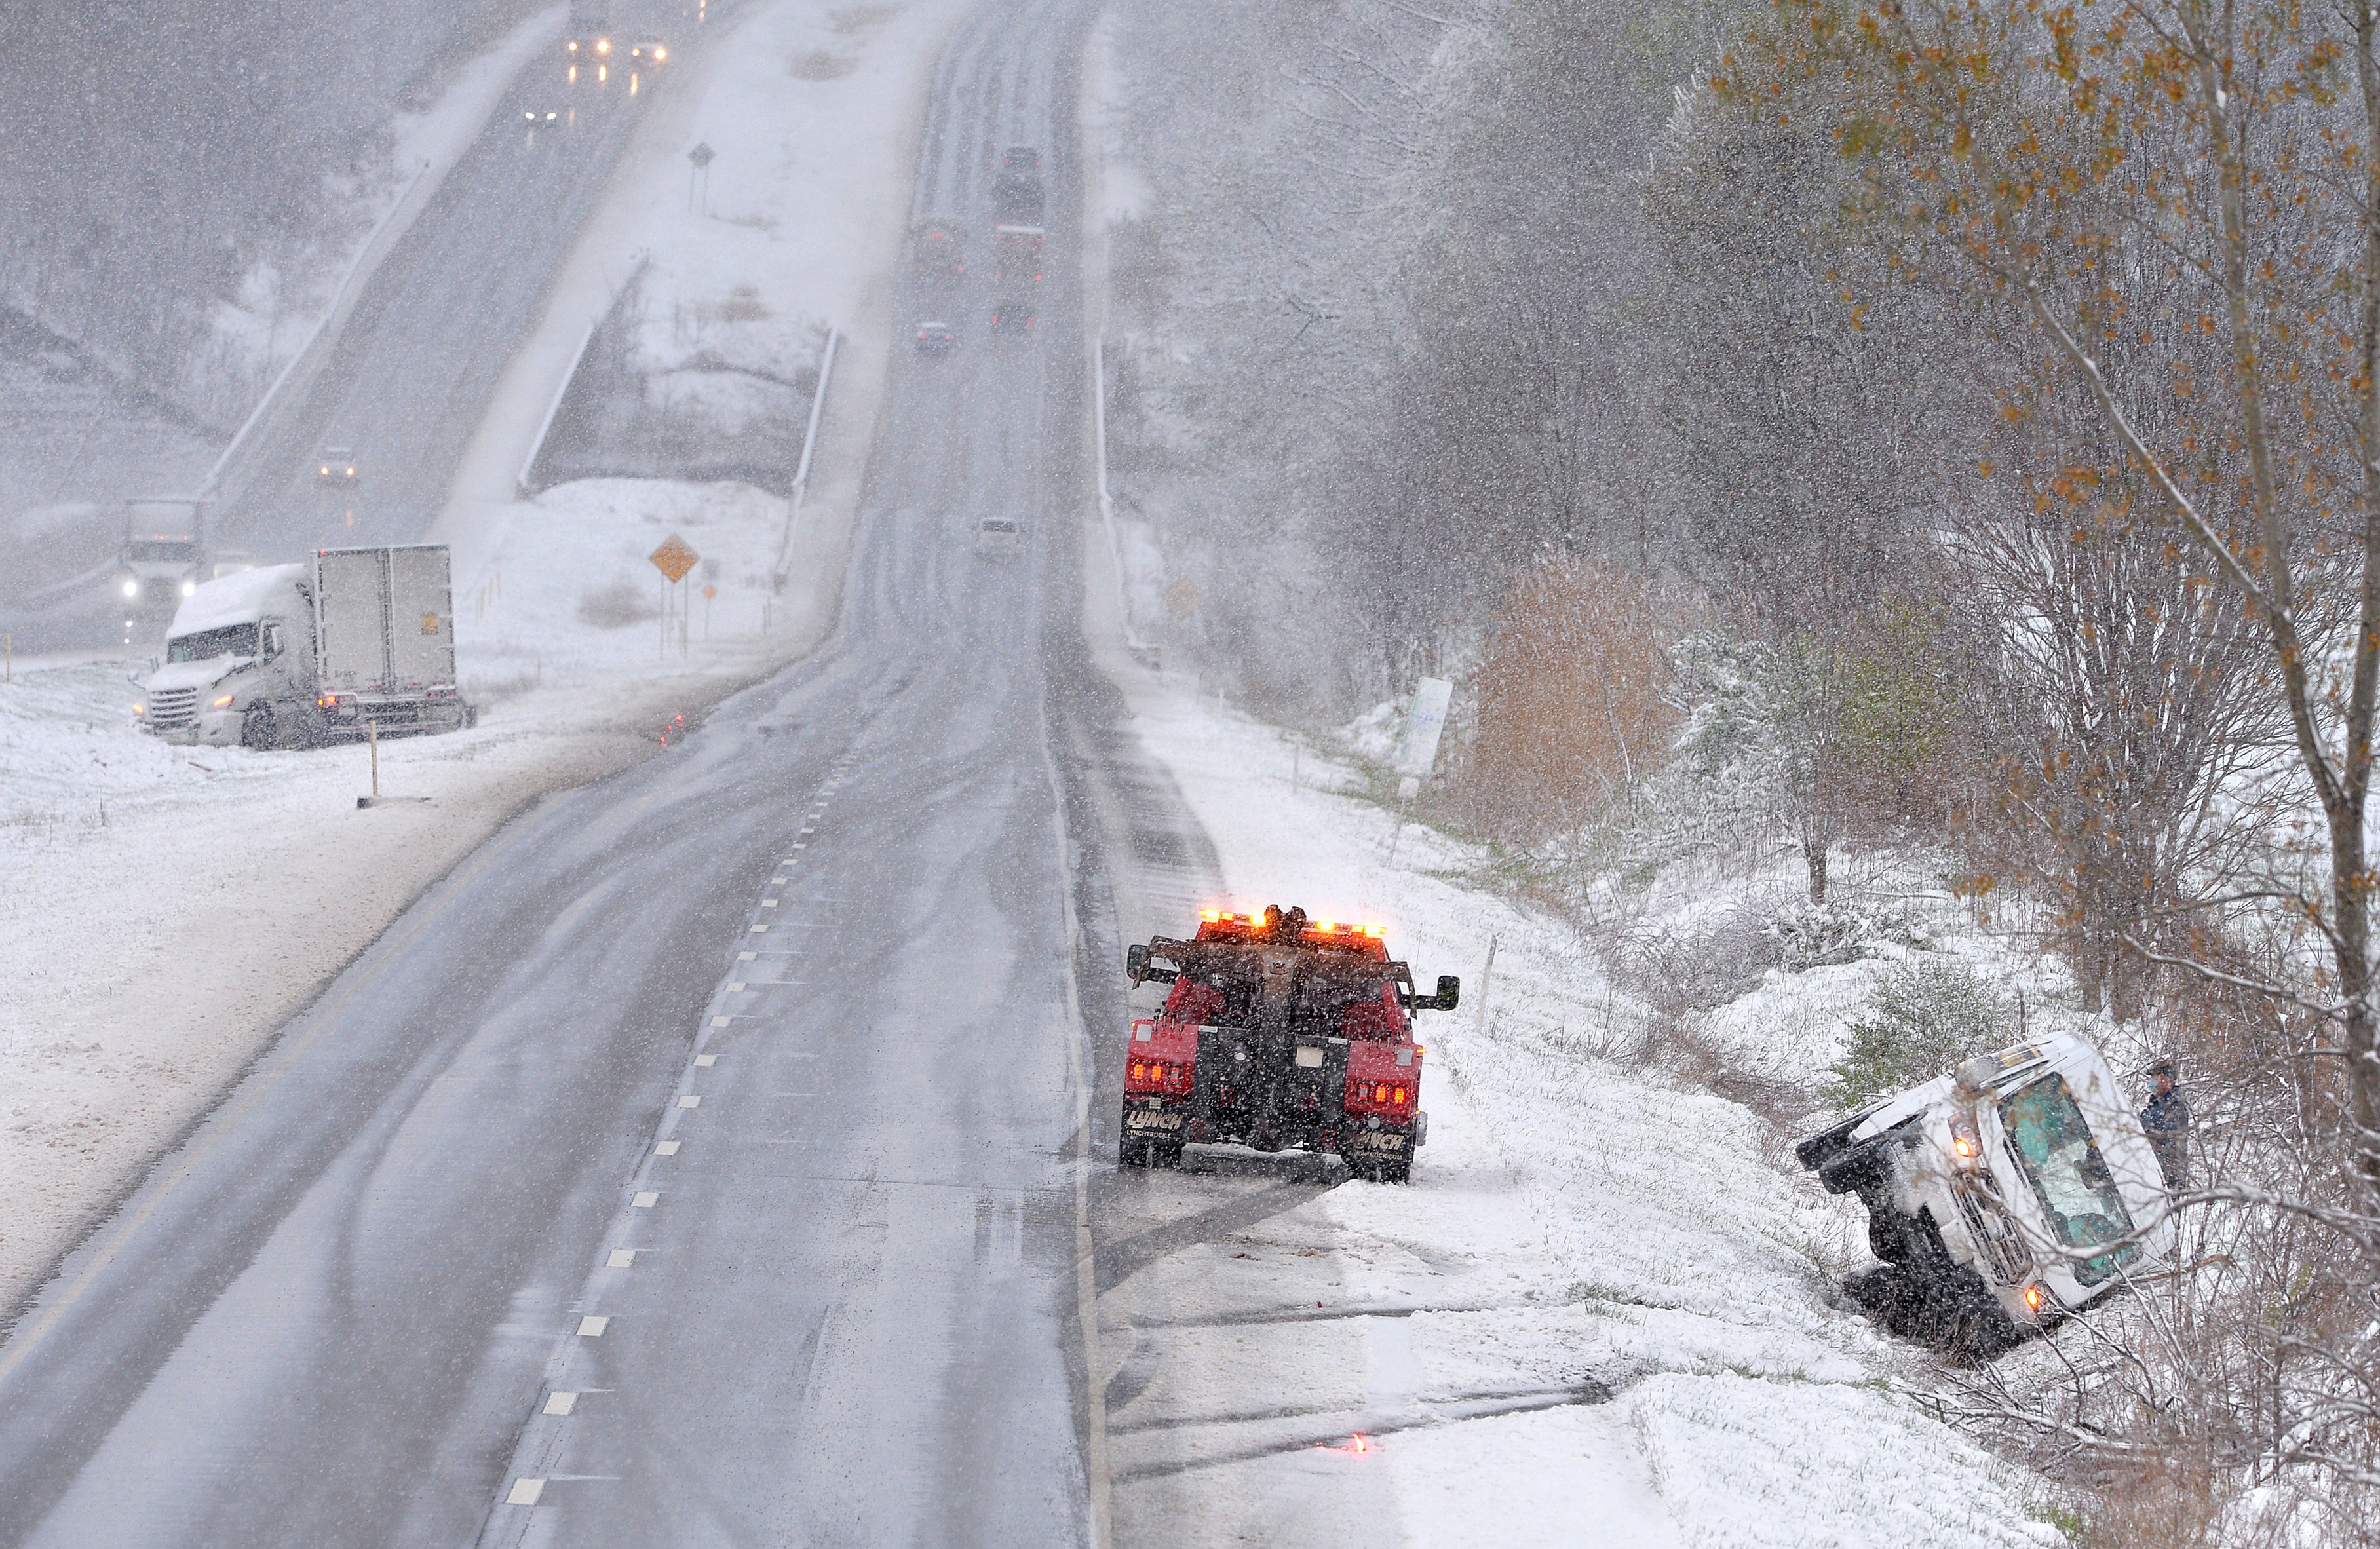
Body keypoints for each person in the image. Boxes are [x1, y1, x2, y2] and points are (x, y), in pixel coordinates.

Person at [2140, 1059, 2191, 1189]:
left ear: (2165, 1080)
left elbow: (2168, 1146)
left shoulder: (2176, 1108)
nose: (2151, 1082)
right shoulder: (2155, 1105)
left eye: (2154, 1078)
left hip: (2165, 1181)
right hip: (2150, 1175)